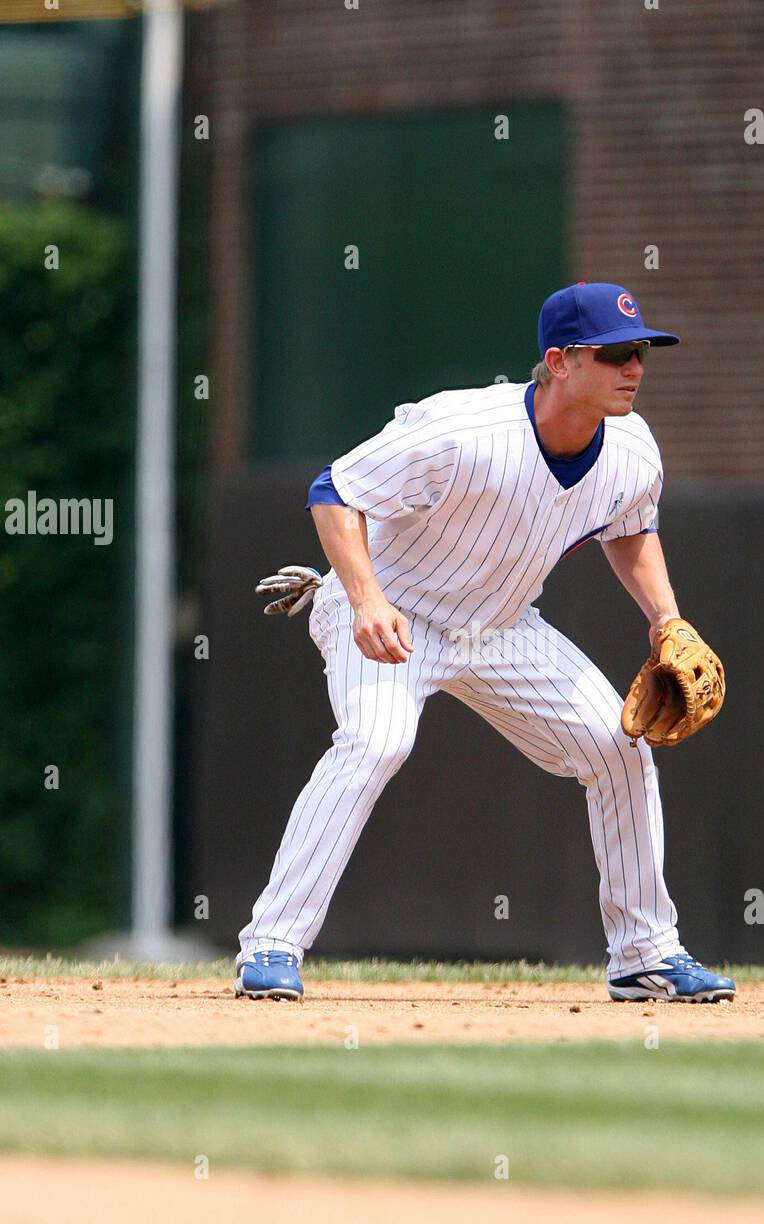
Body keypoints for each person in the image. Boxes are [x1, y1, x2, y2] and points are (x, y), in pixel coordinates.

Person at [235, 282, 735, 1006]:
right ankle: (272, 944)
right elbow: (335, 489)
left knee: (620, 747)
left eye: (642, 353)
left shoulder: (632, 448)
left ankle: (644, 956)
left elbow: (630, 530)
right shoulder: (462, 429)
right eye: (616, 353)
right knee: (377, 742)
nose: (635, 367)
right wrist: (364, 599)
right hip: (386, 610)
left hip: (498, 628)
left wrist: (665, 620)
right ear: (559, 362)